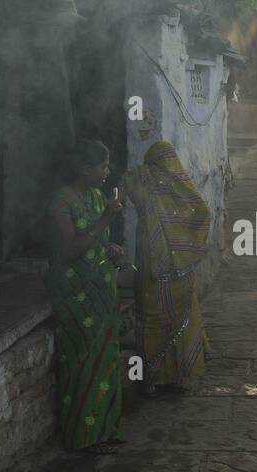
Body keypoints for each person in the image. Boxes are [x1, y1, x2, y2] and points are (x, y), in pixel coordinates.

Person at [46, 139, 126, 453]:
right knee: (80, 360)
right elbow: (69, 250)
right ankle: (81, 435)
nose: (107, 172)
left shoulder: (95, 197)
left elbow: (94, 241)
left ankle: (104, 428)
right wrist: (107, 219)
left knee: (104, 360)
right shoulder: (60, 203)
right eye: (102, 166)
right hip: (75, 298)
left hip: (101, 293)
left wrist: (111, 248)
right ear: (84, 169)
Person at [125, 139, 212, 397]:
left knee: (150, 319)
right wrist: (187, 242)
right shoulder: (180, 185)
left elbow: (125, 185)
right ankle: (179, 376)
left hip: (150, 262)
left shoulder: (139, 179)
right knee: (182, 320)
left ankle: (149, 380)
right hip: (180, 265)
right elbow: (203, 213)